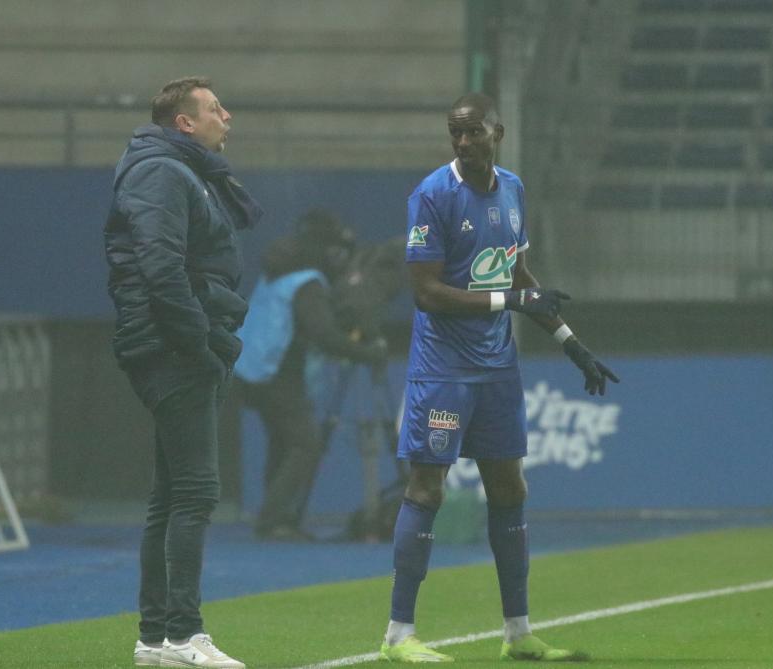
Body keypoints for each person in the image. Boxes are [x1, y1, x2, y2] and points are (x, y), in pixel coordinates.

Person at [378, 93, 618, 663]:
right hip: (442, 370)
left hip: (497, 368)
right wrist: (509, 300)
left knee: (510, 489)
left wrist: (571, 343)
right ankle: (398, 635)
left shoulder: (512, 188)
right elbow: (426, 292)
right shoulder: (433, 195)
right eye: (454, 134)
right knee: (425, 490)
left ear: (497, 132)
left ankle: (518, 633)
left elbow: (520, 276)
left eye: (472, 133)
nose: (463, 143)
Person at [104, 77, 261, 669]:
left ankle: (154, 639)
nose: (228, 115)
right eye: (215, 108)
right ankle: (182, 635)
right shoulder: (162, 172)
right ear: (184, 123)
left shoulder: (175, 169)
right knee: (195, 492)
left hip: (174, 342)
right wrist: (198, 342)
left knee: (171, 497)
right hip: (172, 346)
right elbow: (161, 265)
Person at [234, 208, 388, 541]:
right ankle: (273, 520)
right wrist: (367, 352)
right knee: (305, 443)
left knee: (283, 441)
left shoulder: (279, 272)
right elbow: (324, 334)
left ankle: (277, 518)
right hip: (277, 371)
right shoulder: (307, 283)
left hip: (250, 368)